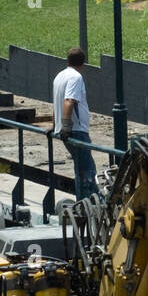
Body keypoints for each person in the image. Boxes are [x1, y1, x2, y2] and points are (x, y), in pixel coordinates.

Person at [53, 47, 97, 200]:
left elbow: (56, 102)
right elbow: (68, 101)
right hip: (76, 131)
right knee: (87, 171)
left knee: (81, 168)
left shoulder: (59, 76)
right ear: (83, 63)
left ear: (68, 60)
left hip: (65, 130)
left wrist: (55, 126)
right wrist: (66, 127)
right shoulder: (76, 77)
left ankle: (84, 203)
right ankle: (88, 206)